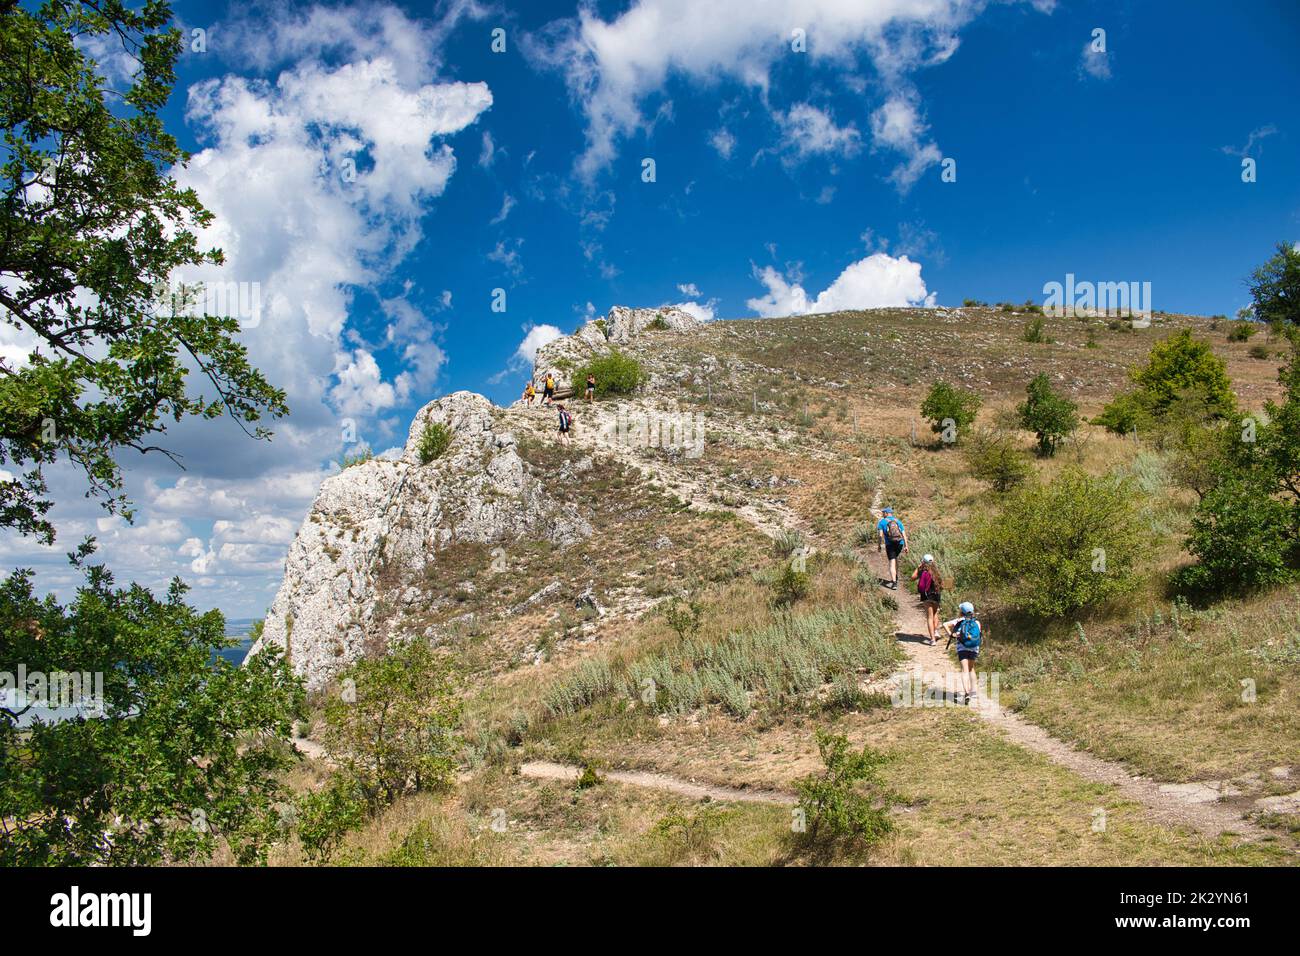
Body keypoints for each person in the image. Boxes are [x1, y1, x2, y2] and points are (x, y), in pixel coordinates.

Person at [941, 601, 985, 706]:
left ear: (961, 612)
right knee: (971, 669)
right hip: (974, 648)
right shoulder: (977, 622)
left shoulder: (959, 621)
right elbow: (978, 635)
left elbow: (945, 624)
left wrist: (952, 635)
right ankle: (973, 692)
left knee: (964, 670)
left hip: (962, 648)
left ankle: (966, 693)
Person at [910, 553, 943, 645]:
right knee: (935, 614)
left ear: (923, 562)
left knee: (929, 617)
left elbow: (912, 577)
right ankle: (935, 631)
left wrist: (918, 568)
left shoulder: (922, 571)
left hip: (927, 596)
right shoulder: (937, 571)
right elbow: (941, 584)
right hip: (936, 596)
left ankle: (932, 639)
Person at [876, 506, 908, 589]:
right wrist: (906, 546)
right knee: (895, 558)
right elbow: (904, 535)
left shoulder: (882, 522)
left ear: (886, 513)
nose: (882, 514)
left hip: (890, 544)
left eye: (883, 512)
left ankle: (894, 583)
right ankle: (896, 577)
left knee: (892, 562)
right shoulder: (898, 521)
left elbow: (880, 536)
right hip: (899, 543)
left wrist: (879, 545)